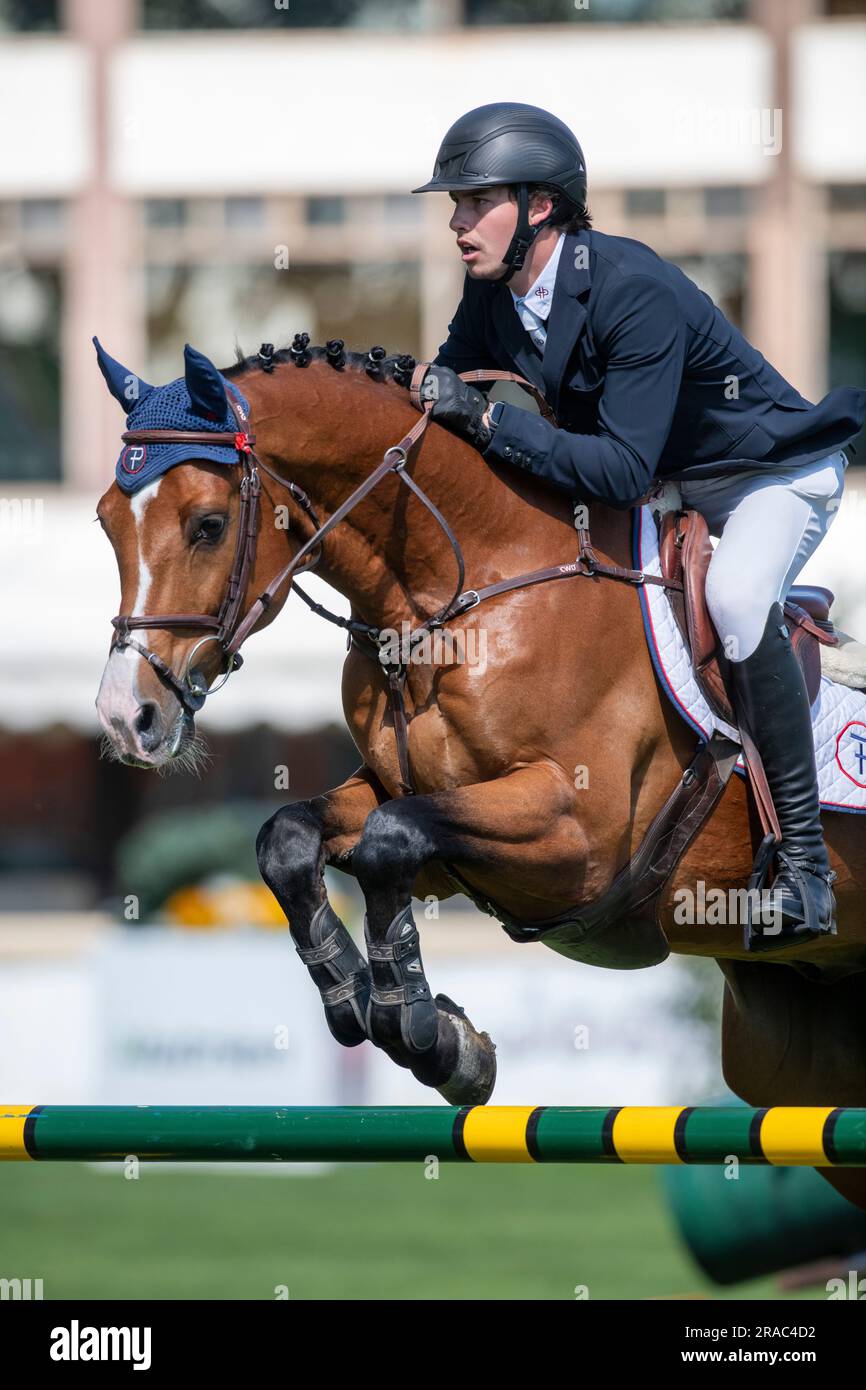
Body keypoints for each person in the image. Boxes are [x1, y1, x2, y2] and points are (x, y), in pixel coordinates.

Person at [411, 101, 866, 952]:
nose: (457, 220)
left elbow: (614, 467)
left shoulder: (632, 288)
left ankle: (804, 865)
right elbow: (446, 407)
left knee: (734, 599)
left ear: (539, 207)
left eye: (476, 200)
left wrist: (486, 421)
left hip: (769, 476)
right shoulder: (491, 297)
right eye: (456, 203)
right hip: (670, 486)